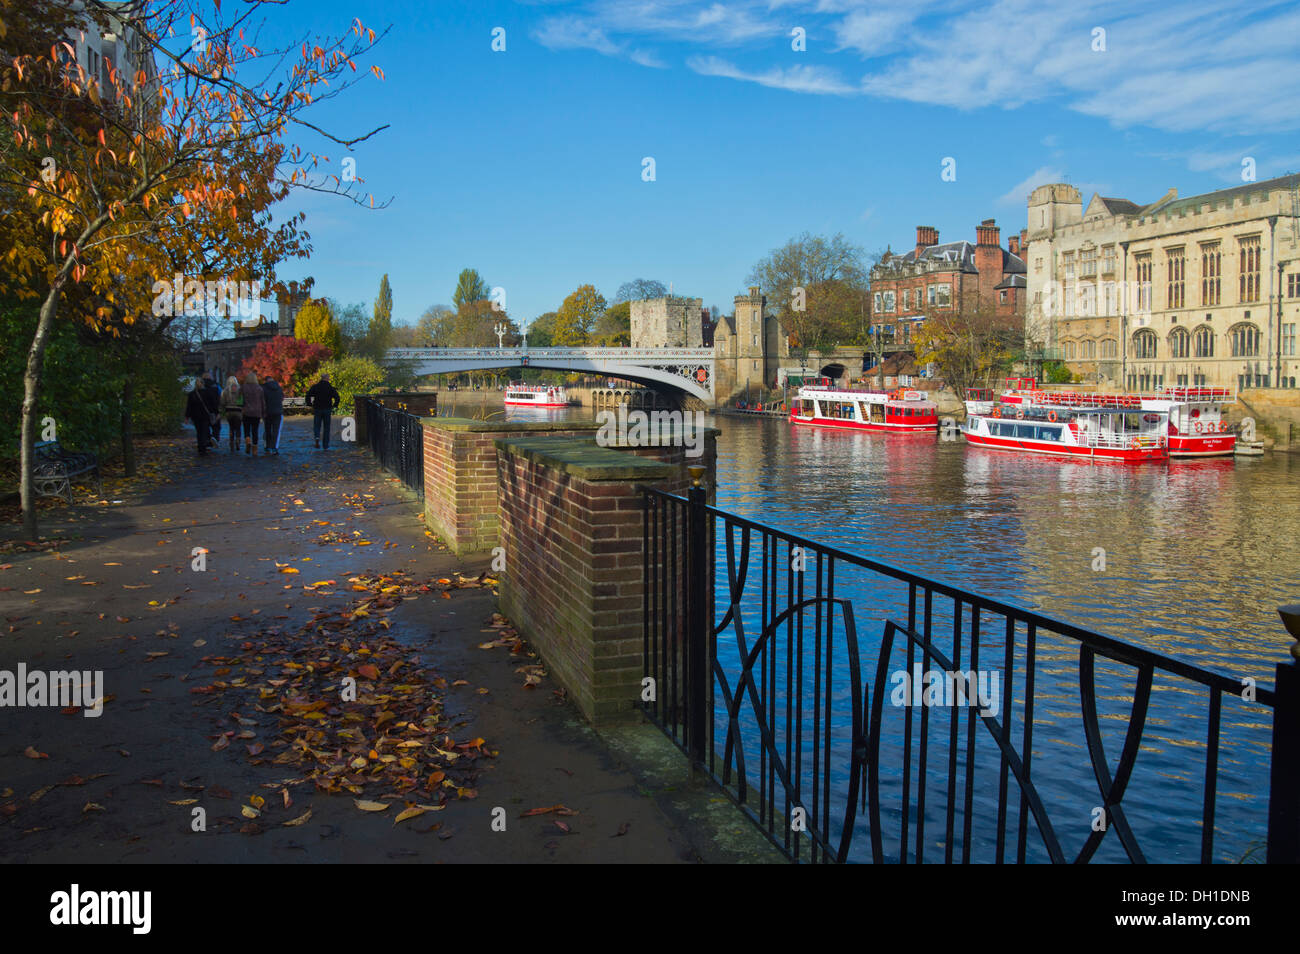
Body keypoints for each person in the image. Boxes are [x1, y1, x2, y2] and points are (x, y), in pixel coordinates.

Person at [306, 372, 341, 449]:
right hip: (327, 408)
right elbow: (337, 397)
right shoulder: (330, 388)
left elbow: (308, 395)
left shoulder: (315, 387)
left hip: (317, 408)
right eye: (328, 378)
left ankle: (317, 437)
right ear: (327, 378)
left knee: (317, 425)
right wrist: (335, 405)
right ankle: (325, 445)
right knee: (326, 427)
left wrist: (310, 404)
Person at [241, 371, 265, 455]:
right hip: (257, 412)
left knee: (246, 429)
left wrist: (241, 407)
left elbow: (240, 400)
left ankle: (248, 440)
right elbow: (262, 402)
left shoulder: (243, 387)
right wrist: (263, 413)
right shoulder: (260, 389)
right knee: (255, 430)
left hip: (246, 411)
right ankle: (255, 449)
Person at [184, 382, 212, 456]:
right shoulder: (207, 393)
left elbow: (189, 406)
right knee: (204, 431)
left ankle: (200, 446)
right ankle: (203, 447)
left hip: (195, 416)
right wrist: (215, 412)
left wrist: (187, 416)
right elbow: (211, 404)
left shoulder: (192, 394)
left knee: (199, 431)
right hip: (205, 415)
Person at [262, 376, 284, 455]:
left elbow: (262, 400)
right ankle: (274, 447)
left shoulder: (263, 388)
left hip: (267, 412)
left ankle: (267, 446)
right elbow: (282, 398)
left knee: (267, 429)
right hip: (278, 412)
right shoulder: (279, 388)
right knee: (276, 430)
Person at [220, 376, 243, 452]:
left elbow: (222, 402)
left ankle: (231, 442)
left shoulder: (225, 391)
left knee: (231, 428)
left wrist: (222, 410)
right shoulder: (240, 390)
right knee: (238, 428)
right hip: (238, 412)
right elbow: (241, 403)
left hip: (229, 412)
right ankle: (238, 440)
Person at [199, 373, 222, 450]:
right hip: (214, 410)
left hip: (203, 410)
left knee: (205, 427)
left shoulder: (200, 386)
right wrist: (219, 411)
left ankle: (208, 439)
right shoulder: (216, 386)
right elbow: (220, 397)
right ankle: (215, 438)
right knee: (216, 426)